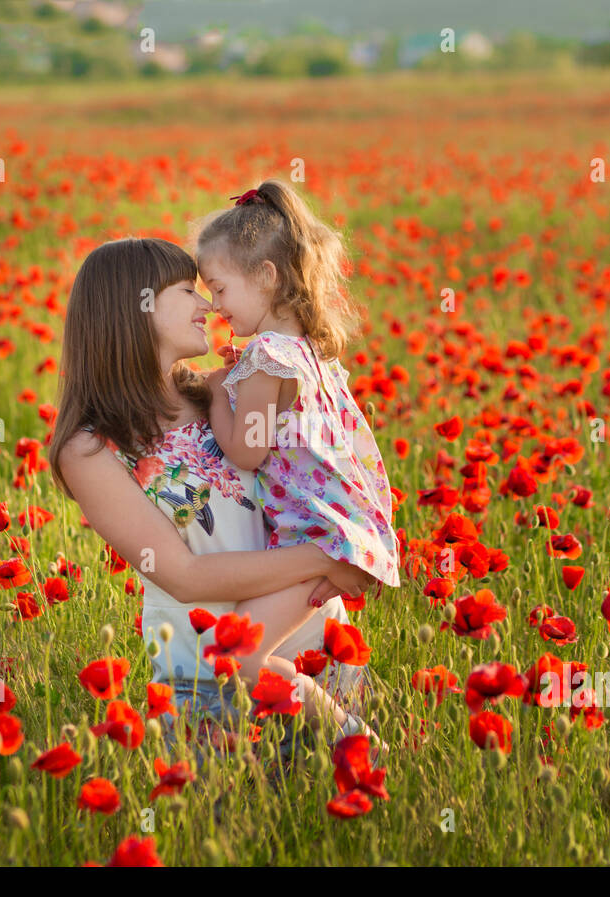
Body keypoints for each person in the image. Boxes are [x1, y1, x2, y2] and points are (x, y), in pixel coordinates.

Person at [46, 236, 379, 765]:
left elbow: (323, 466)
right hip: (210, 688)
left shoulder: (223, 393)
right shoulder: (91, 446)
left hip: (322, 656)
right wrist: (332, 557)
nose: (207, 305)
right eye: (187, 290)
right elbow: (184, 576)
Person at [194, 179, 401, 746]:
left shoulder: (266, 358)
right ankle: (295, 751)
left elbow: (247, 449)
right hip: (329, 535)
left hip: (314, 541)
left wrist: (214, 394)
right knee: (295, 652)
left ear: (266, 276)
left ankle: (355, 741)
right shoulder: (310, 354)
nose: (214, 306)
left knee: (235, 653)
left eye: (219, 288)